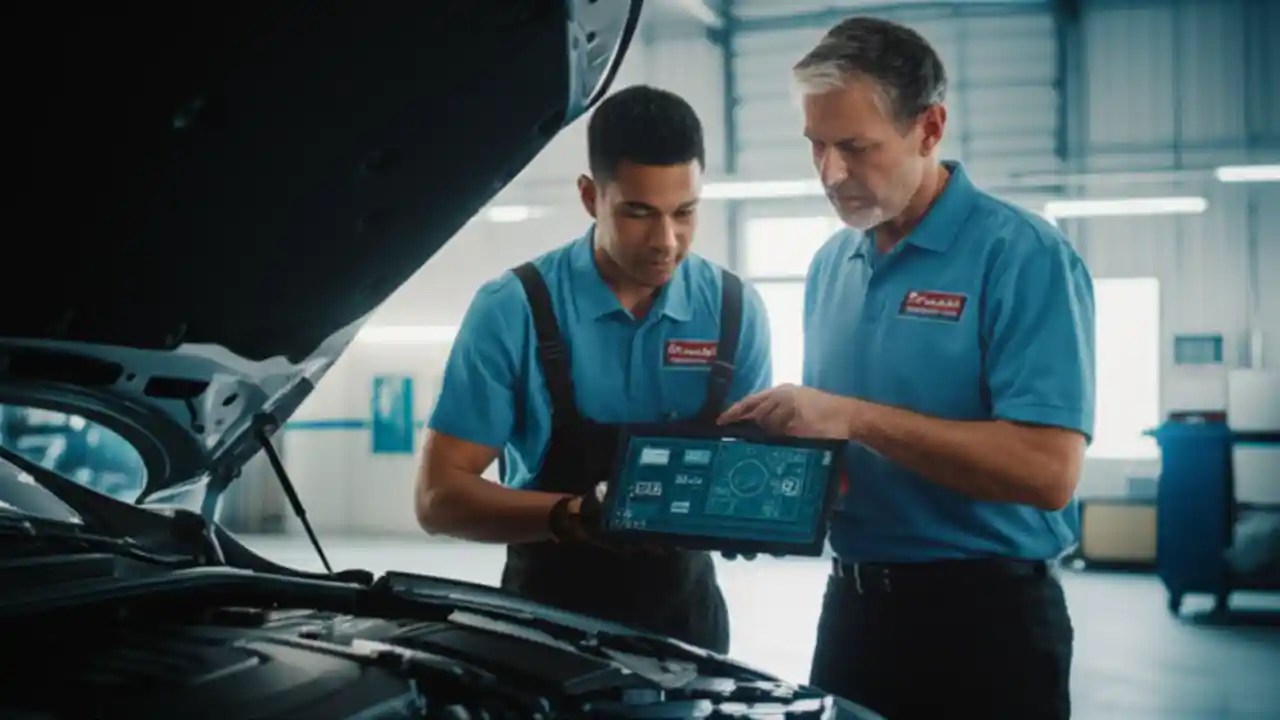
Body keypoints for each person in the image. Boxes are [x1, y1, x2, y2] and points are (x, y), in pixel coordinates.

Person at [717, 16, 1094, 720]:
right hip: (854, 614)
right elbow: (850, 454)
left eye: (856, 148)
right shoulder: (835, 263)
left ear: (929, 128)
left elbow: (1048, 473)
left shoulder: (1022, 256)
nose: (830, 174)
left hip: (987, 626)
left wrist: (851, 416)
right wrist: (766, 497)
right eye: (817, 147)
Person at [415, 84, 773, 654]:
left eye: (685, 212)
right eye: (638, 212)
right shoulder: (513, 308)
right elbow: (438, 499)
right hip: (543, 628)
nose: (666, 241)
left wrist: (757, 510)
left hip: (687, 630)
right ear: (590, 196)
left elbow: (748, 471)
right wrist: (573, 515)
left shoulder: (732, 310)